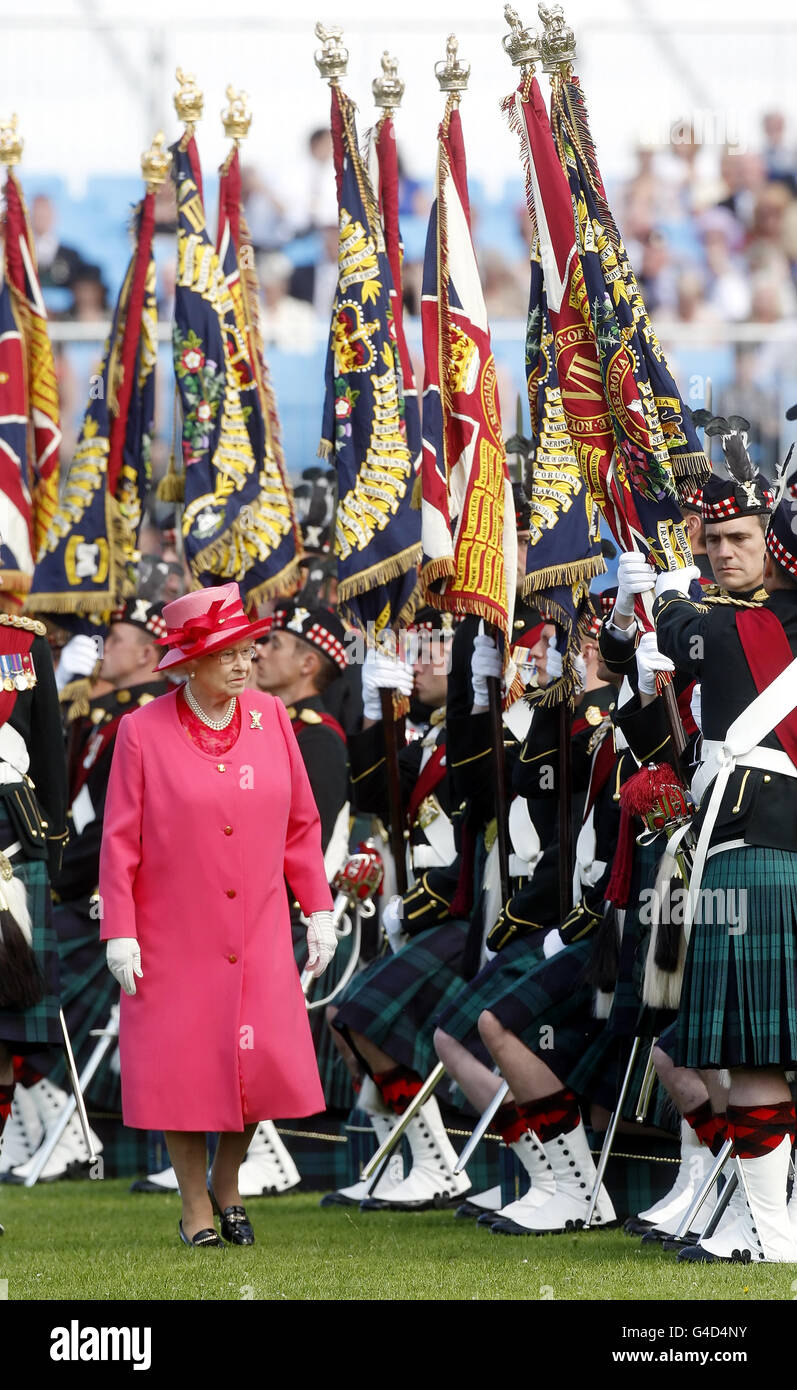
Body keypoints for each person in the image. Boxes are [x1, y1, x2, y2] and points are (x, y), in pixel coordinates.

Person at [98, 582, 337, 1247]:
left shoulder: (271, 717)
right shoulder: (140, 731)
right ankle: (196, 1206)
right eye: (226, 652)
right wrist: (119, 929)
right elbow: (120, 839)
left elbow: (300, 825)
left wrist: (317, 910)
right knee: (187, 1073)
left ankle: (228, 1185)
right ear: (188, 662)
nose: (243, 663)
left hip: (259, 928)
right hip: (174, 933)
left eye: (248, 649)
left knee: (258, 1069)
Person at [2, 599, 168, 1183]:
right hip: (62, 879)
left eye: (114, 639)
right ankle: (47, 1127)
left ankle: (67, 1127)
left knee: (23, 1006)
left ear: (150, 652)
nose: (102, 649)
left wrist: (56, 874)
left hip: (69, 885)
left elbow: (101, 818)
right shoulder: (103, 714)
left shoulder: (134, 719)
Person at [0, 610, 68, 1231]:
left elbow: (49, 750)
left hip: (11, 845)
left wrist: (53, 847)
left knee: (0, 1031)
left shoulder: (23, 641)